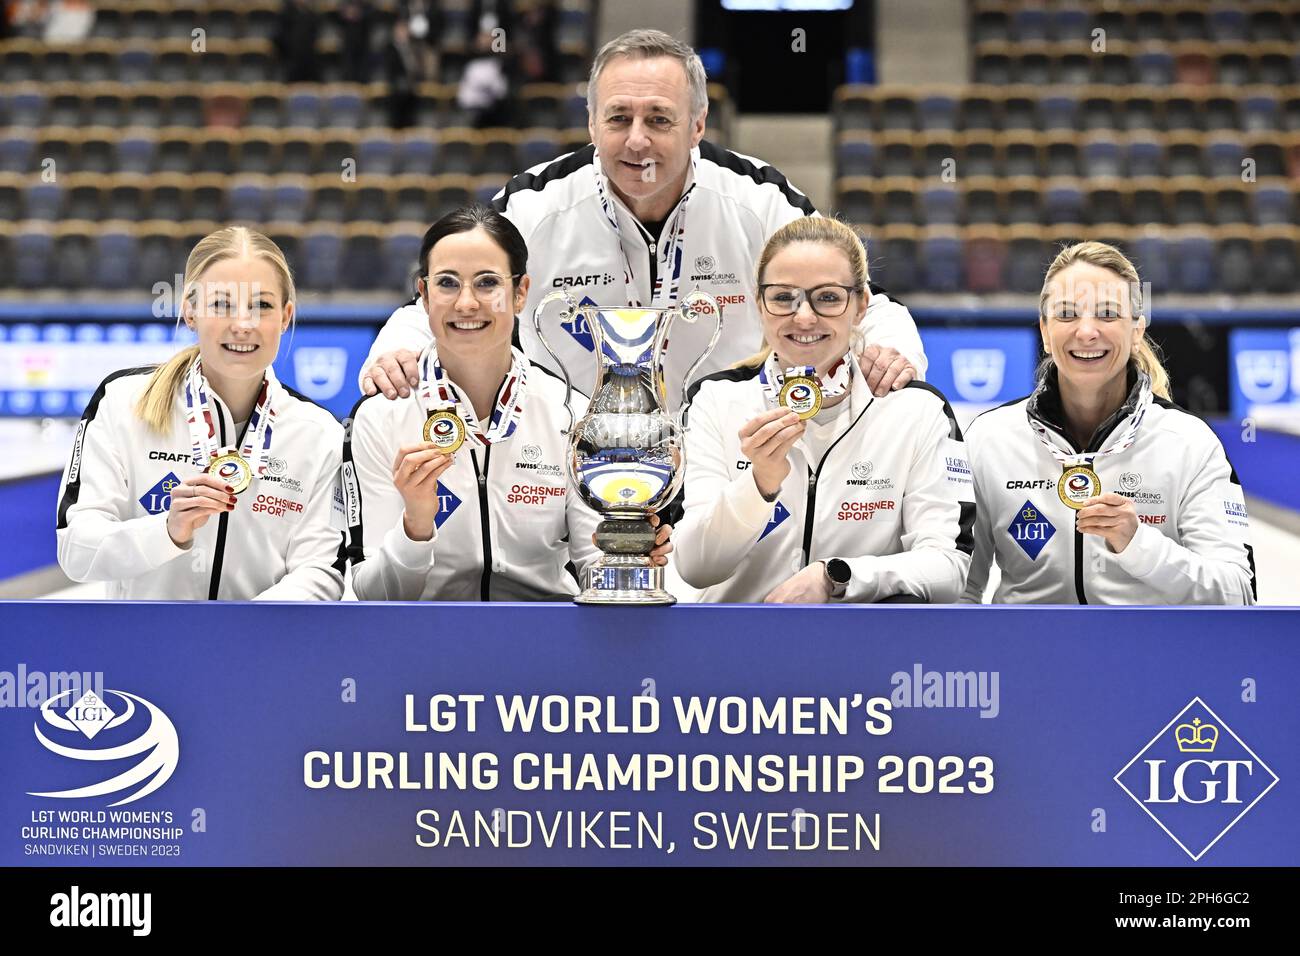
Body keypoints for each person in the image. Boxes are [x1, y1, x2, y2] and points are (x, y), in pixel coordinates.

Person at [359, 28, 926, 407]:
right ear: (590, 124)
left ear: (699, 125)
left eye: (659, 119)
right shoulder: (535, 205)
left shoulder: (758, 200)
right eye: (618, 118)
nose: (637, 141)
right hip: (564, 475)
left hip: (731, 464)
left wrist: (893, 349)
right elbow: (434, 299)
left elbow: (863, 300)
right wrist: (395, 351)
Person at [343, 204, 671, 601]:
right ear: (424, 296)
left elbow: (593, 568)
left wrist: (628, 553)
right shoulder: (381, 415)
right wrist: (416, 525)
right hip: (424, 647)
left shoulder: (570, 412)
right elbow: (372, 598)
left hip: (546, 644)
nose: (466, 303)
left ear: (520, 294)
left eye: (486, 283)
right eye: (447, 283)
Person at [673, 218, 974, 604]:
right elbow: (696, 568)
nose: (803, 317)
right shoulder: (715, 400)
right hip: (737, 651)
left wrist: (838, 575)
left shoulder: (917, 410)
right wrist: (759, 485)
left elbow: (948, 568)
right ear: (758, 304)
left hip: (862, 653)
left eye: (828, 297)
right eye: (783, 297)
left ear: (862, 305)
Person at [56, 226, 347, 601]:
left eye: (261, 305)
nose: (243, 325)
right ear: (190, 311)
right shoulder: (123, 402)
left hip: (258, 654)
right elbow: (76, 551)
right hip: (142, 656)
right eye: (221, 304)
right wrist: (166, 531)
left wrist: (236, 641)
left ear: (286, 316)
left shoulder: (318, 433)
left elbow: (321, 570)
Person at [960, 241, 1256, 605]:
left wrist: (1139, 544)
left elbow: (1237, 593)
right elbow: (962, 591)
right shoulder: (989, 439)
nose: (1086, 332)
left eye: (1107, 314)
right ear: (1045, 331)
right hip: (1027, 659)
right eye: (1067, 314)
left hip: (1147, 660)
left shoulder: (1189, 442)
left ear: (1136, 331)